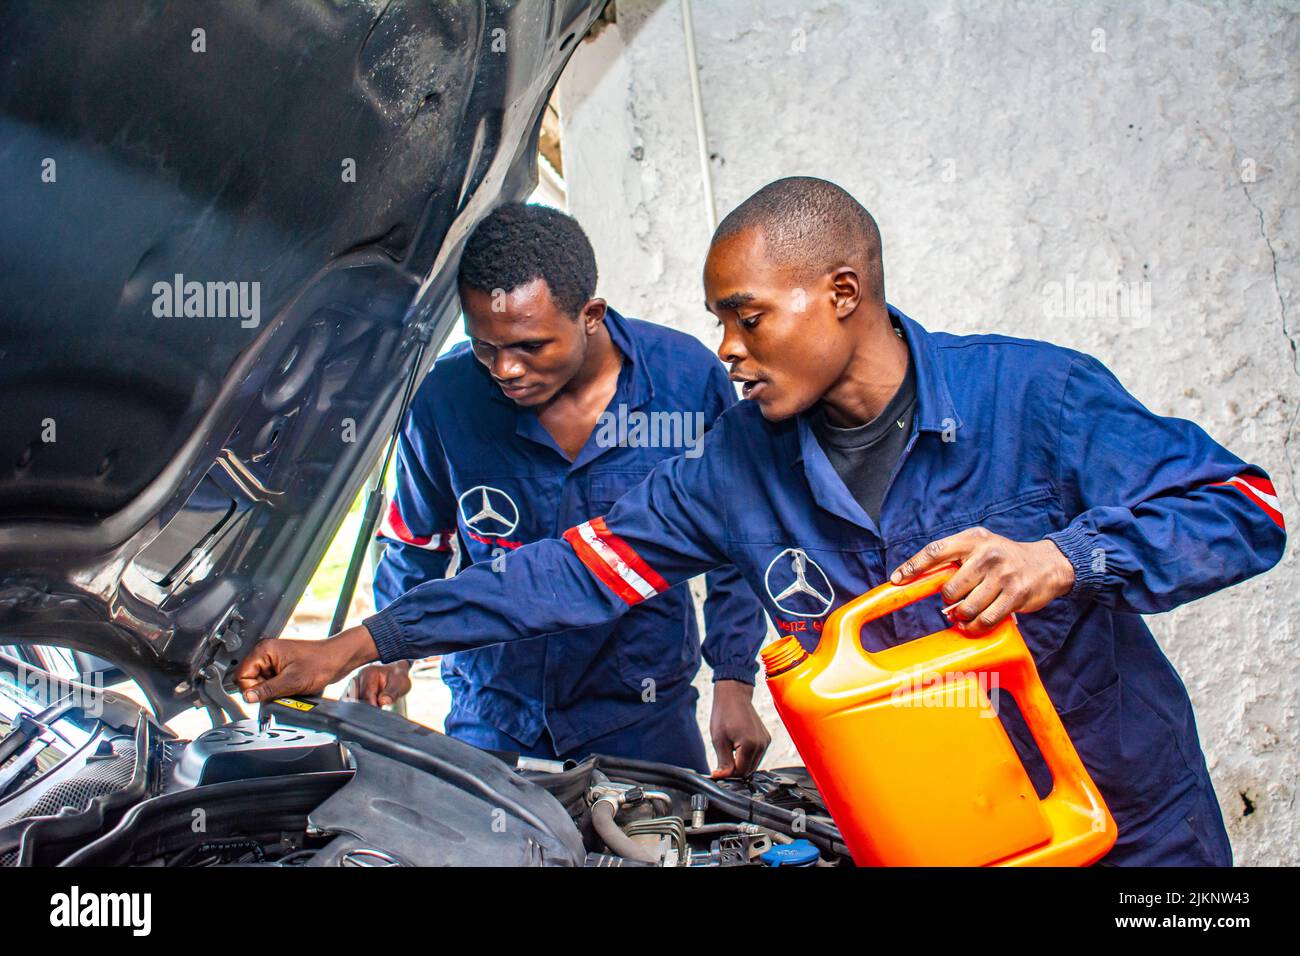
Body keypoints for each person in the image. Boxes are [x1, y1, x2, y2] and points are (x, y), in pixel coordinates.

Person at [239, 177, 1285, 865]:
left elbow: (1244, 507)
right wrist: (355, 642)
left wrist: (1063, 556)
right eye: (717, 323)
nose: (728, 350)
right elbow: (562, 570)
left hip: (1131, 824)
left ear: (840, 292)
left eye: (747, 314)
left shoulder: (1033, 395)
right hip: (928, 833)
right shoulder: (736, 461)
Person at [343, 202, 770, 776]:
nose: (505, 369)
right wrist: (390, 648)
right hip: (491, 709)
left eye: (529, 346)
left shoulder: (684, 383)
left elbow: (735, 544)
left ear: (590, 314)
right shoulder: (446, 400)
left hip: (640, 711)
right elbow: (415, 541)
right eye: (484, 345)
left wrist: (733, 677)